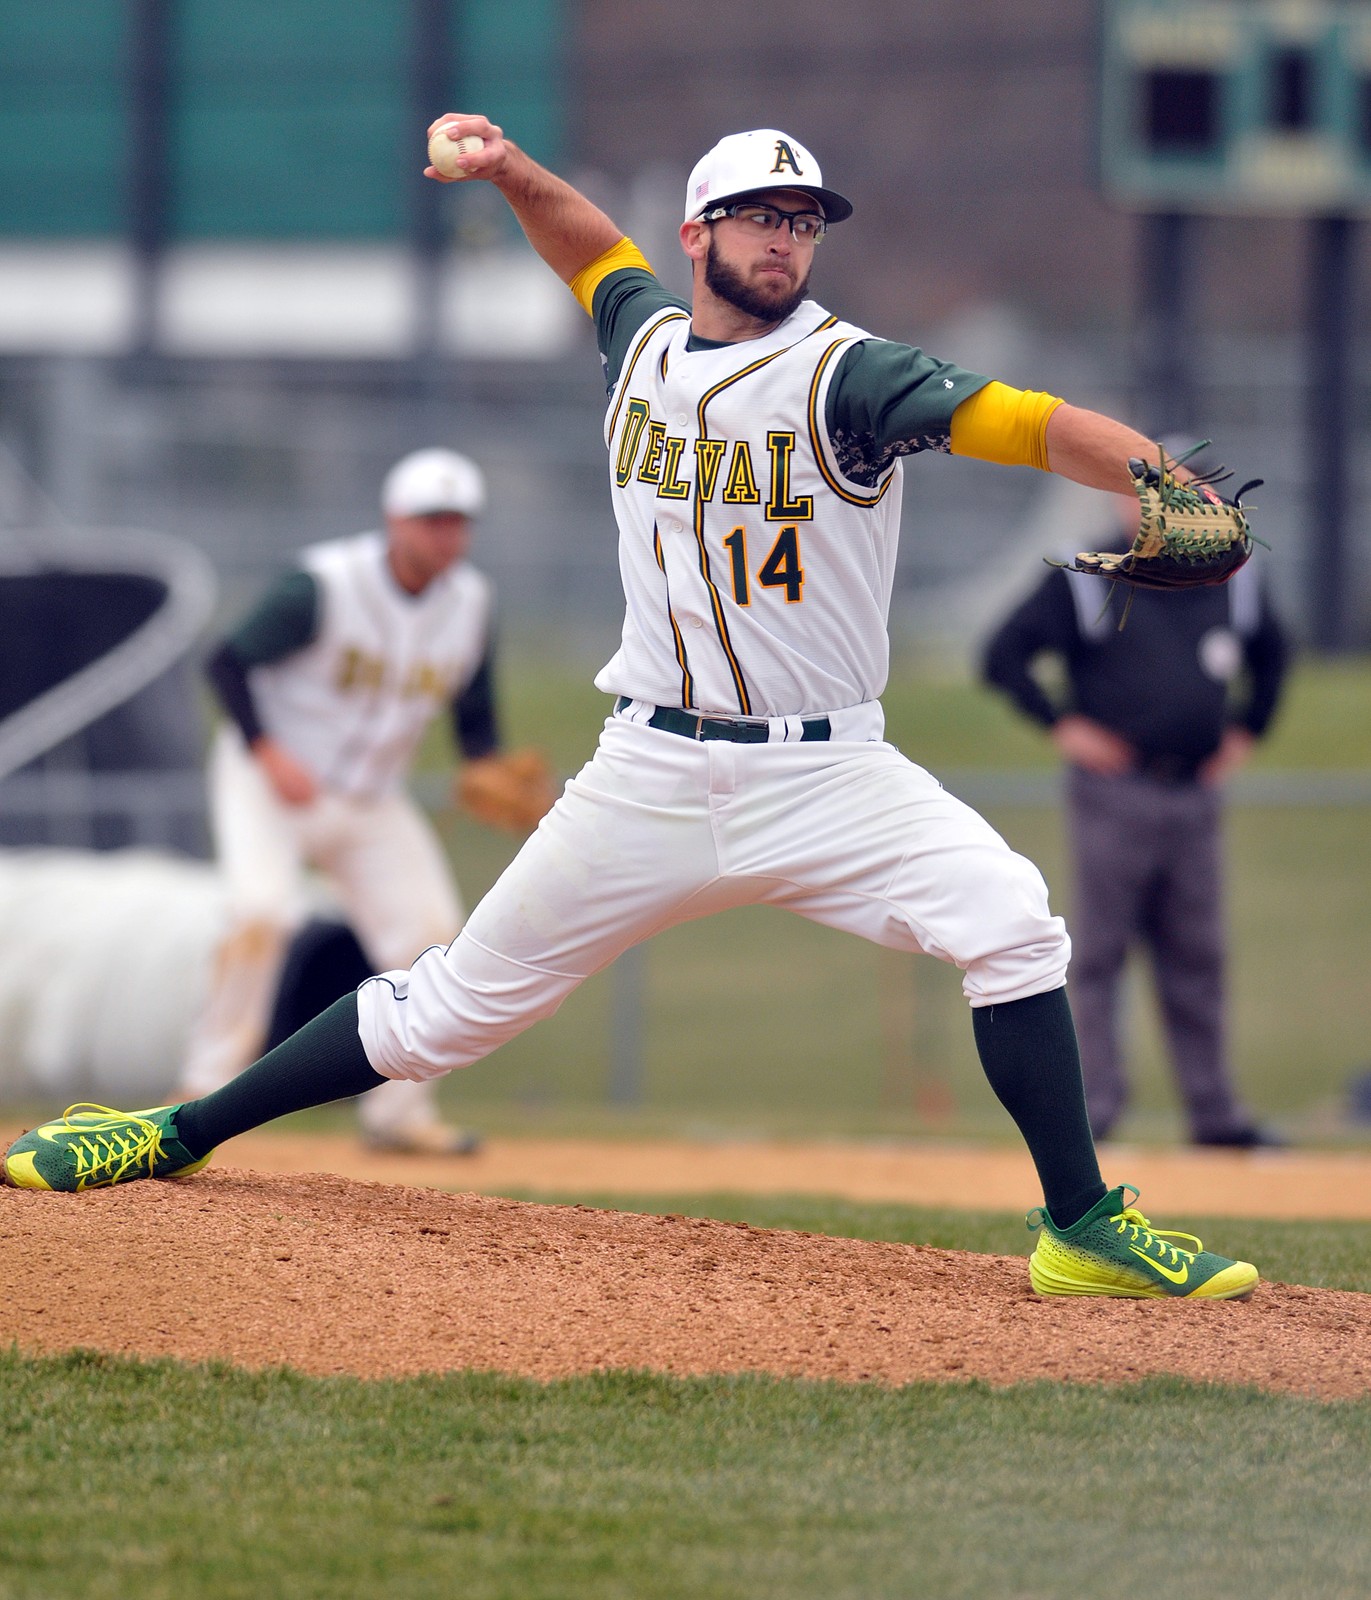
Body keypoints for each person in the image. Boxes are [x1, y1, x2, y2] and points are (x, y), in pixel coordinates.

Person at [3, 117, 1262, 1301]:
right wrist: (505, 168)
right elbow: (584, 245)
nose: (784, 238)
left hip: (831, 774)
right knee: (444, 1009)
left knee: (1013, 926)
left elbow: (1026, 423)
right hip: (646, 771)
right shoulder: (644, 342)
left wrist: (1148, 471)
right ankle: (177, 1131)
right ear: (698, 234)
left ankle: (1080, 1226)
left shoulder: (850, 376)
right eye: (758, 216)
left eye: (804, 220)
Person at [176, 446, 530, 1155]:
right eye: (432, 520)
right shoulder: (324, 585)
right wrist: (266, 750)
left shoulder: (471, 604)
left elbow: (473, 706)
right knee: (261, 915)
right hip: (270, 781)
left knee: (433, 936)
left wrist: (483, 763)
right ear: (394, 520)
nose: (446, 536)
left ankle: (399, 1118)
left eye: (458, 522)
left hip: (370, 798)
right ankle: (195, 1095)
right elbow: (226, 661)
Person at [981, 464, 1291, 1146]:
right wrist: (1062, 724)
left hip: (1194, 793)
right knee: (1096, 953)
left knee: (1197, 956)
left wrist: (1245, 731)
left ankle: (1213, 1114)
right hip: (1113, 794)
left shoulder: (1228, 581)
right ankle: (1093, 1108)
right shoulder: (1087, 574)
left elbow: (1274, 657)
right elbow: (1002, 655)